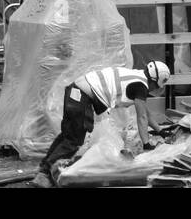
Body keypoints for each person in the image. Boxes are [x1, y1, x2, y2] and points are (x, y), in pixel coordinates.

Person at [33, 60, 171, 187]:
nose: (154, 89)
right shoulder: (141, 86)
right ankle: (44, 175)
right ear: (155, 81)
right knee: (73, 141)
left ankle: (43, 169)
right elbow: (141, 118)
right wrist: (147, 144)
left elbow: (146, 113)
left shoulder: (138, 78)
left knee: (67, 136)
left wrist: (159, 130)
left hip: (75, 91)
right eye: (157, 86)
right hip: (82, 95)